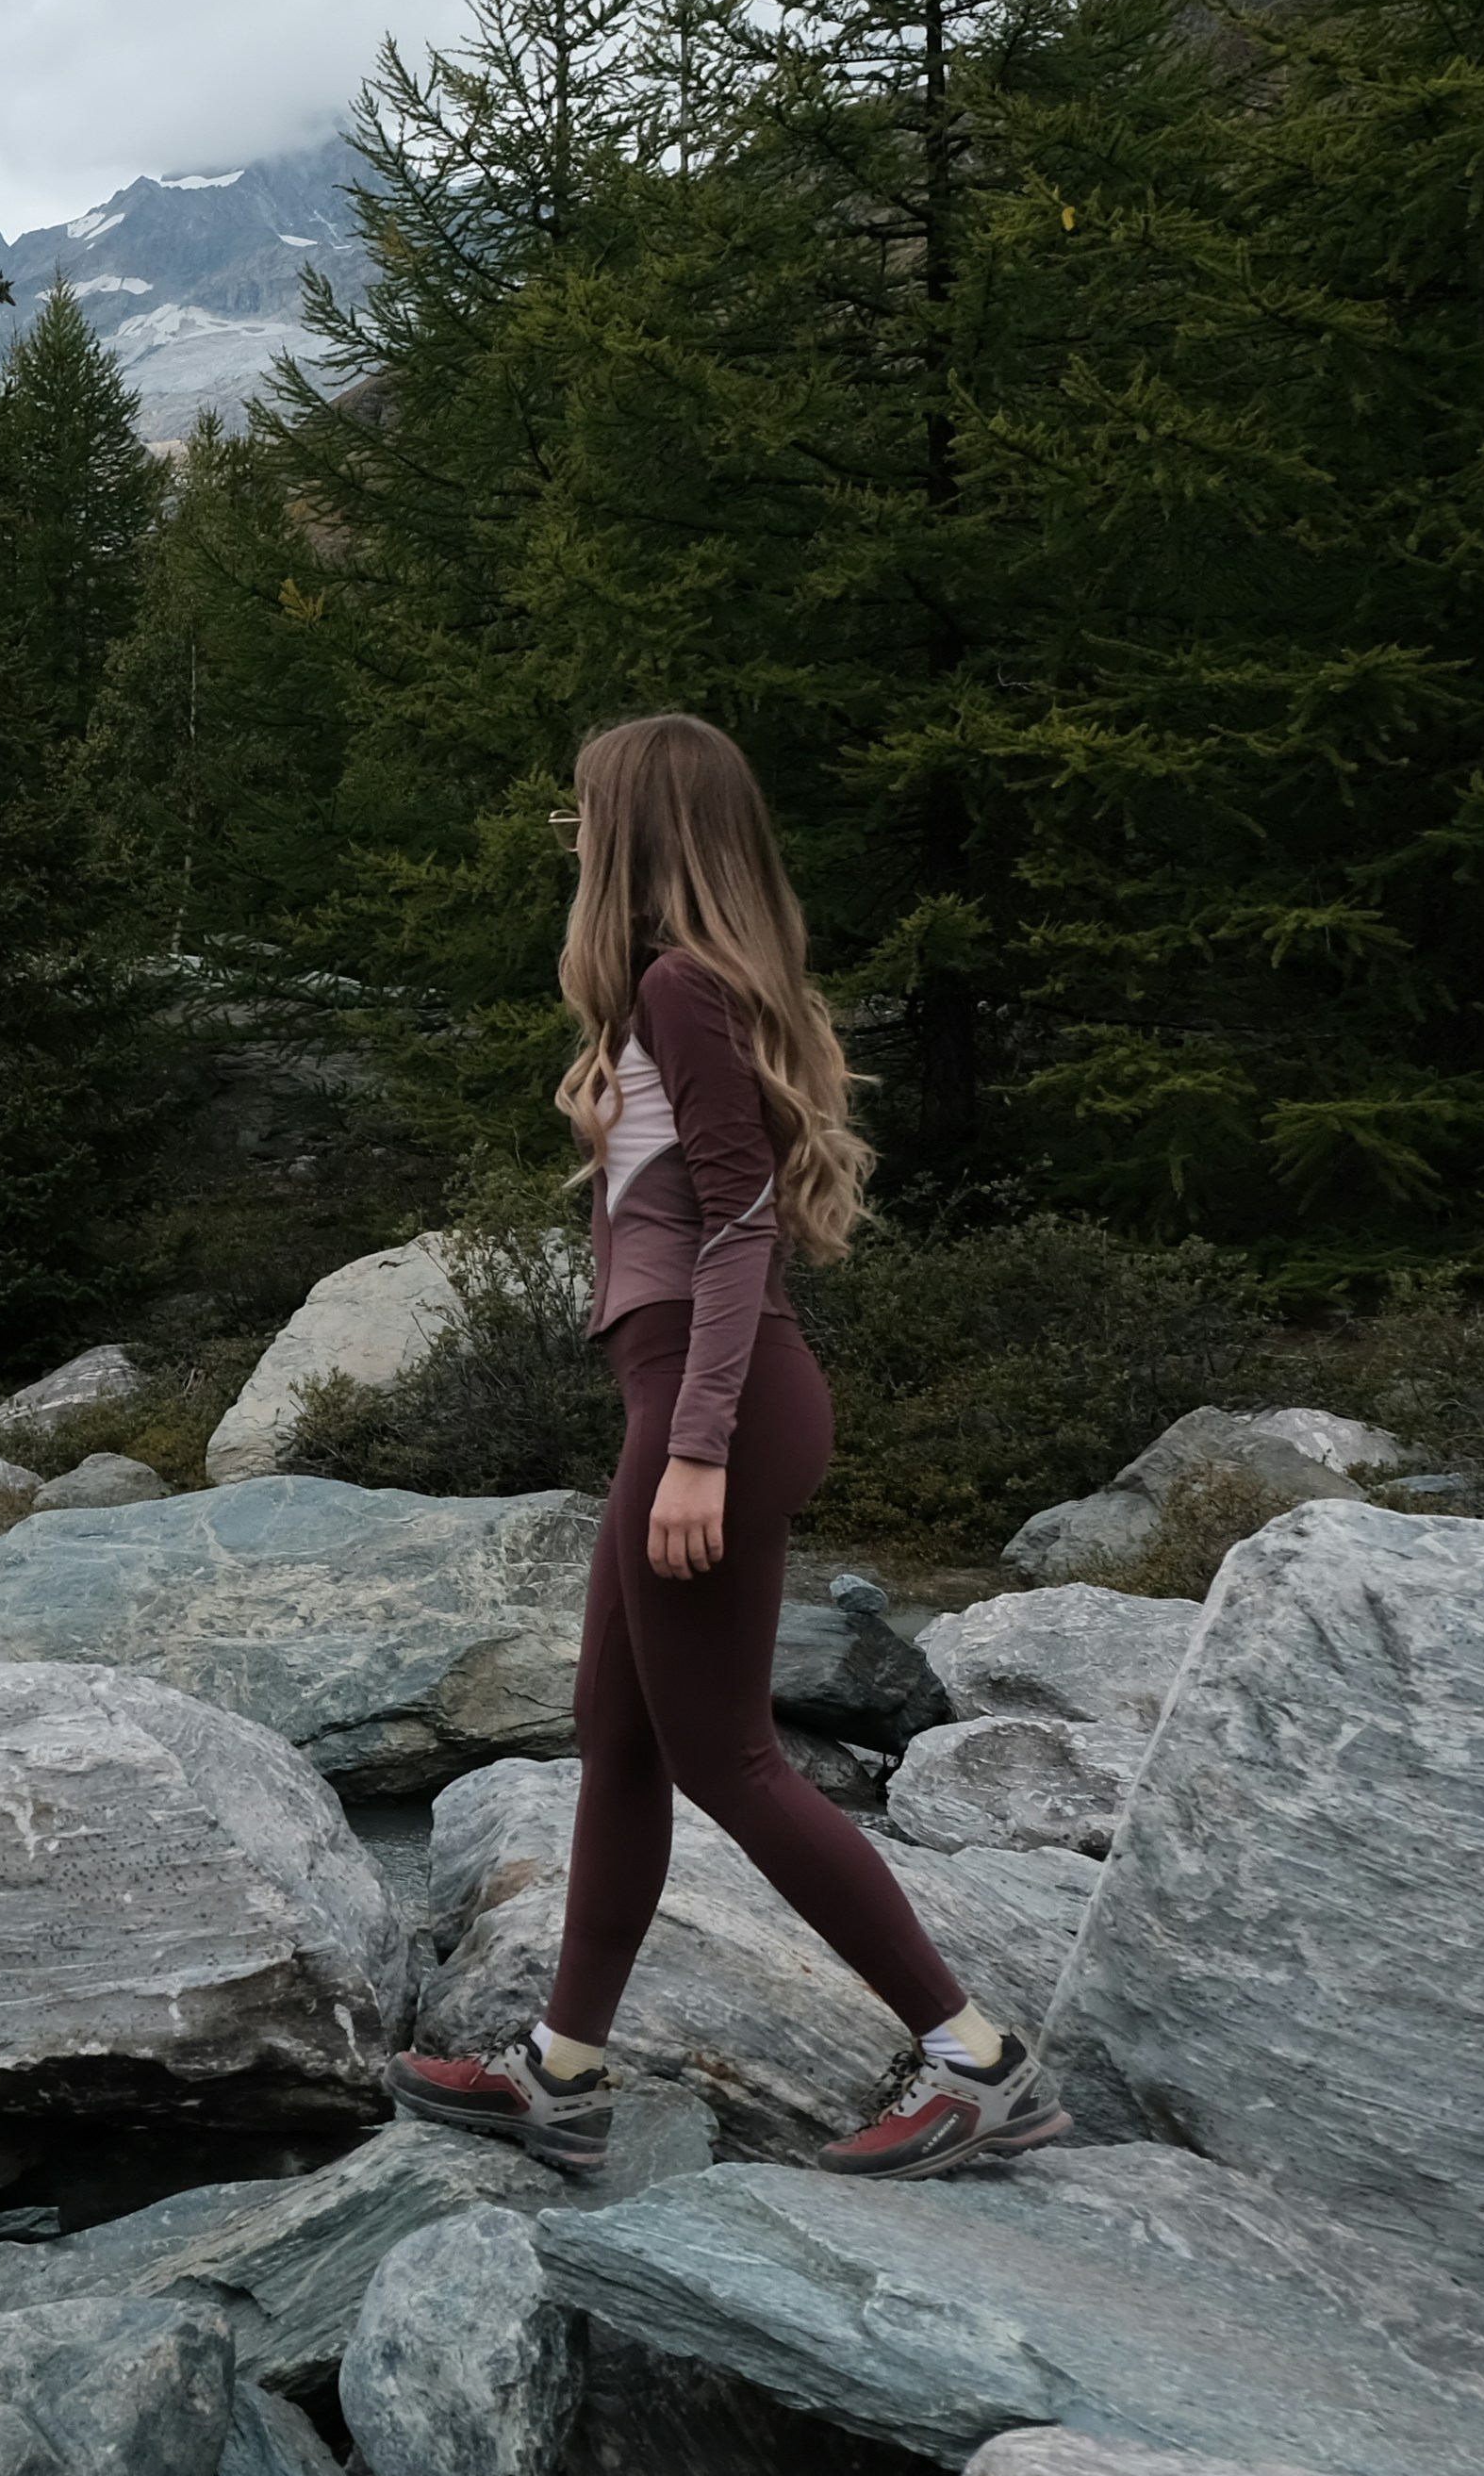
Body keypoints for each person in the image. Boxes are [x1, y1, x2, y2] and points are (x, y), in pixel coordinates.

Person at [385, 709, 1062, 2182]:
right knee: (621, 1743)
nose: (567, 831)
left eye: (582, 809)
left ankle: (979, 2061)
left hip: (719, 1404)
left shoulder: (682, 991)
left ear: (635, 830)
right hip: (702, 1397)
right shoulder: (666, 993)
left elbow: (742, 1219)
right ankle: (561, 2073)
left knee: (730, 1759)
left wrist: (693, 1446)